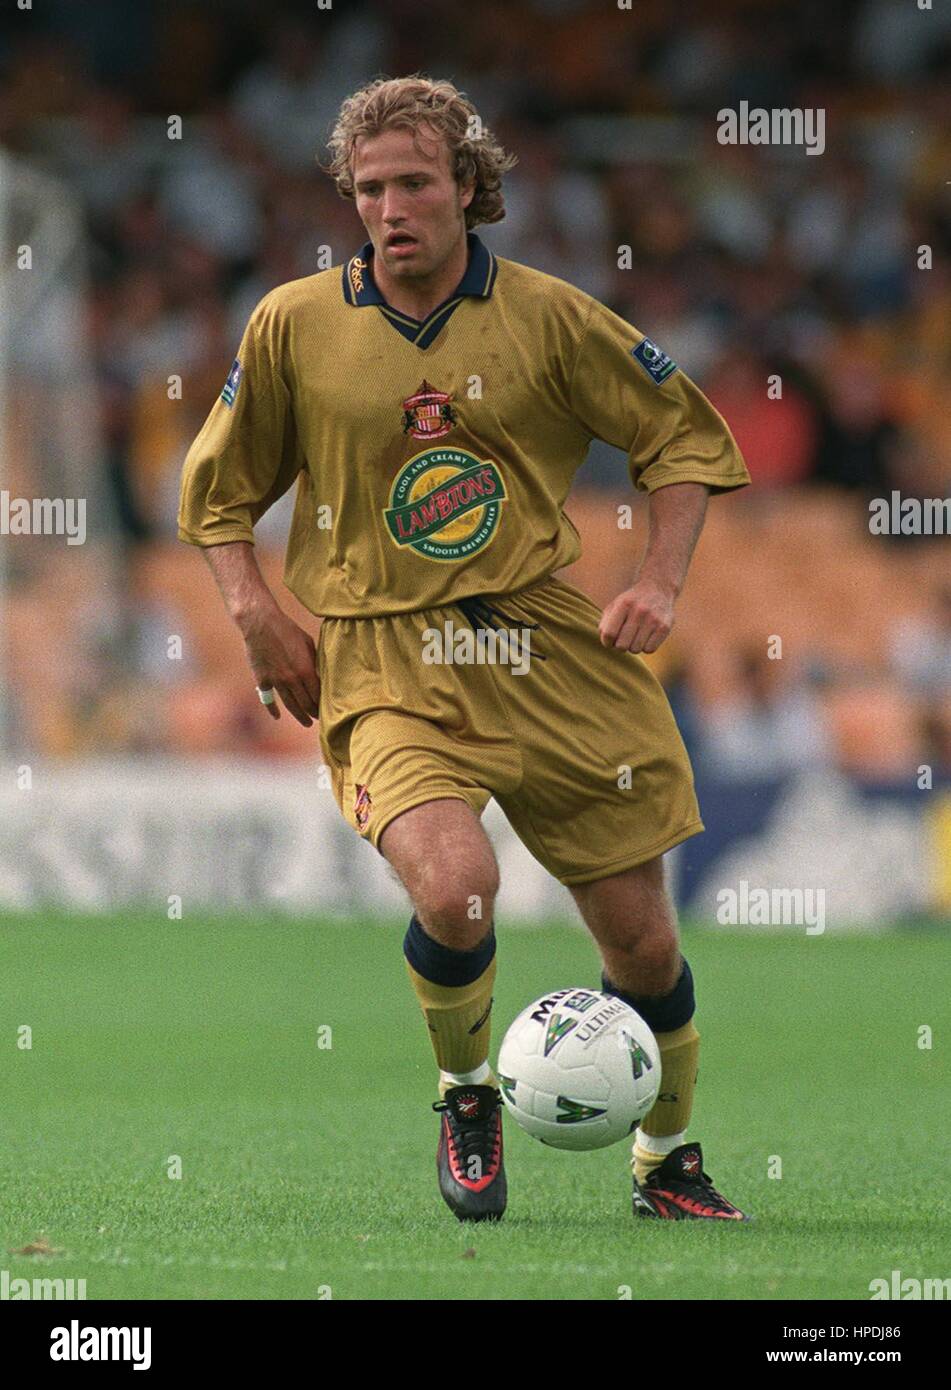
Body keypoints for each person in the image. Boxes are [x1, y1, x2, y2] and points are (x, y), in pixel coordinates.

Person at [179, 75, 752, 1223]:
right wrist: (253, 610)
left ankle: (668, 1160)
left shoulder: (550, 316)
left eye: (415, 184)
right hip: (386, 652)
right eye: (370, 187)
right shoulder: (293, 322)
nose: (390, 208)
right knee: (457, 889)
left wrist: (658, 580)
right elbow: (217, 495)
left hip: (545, 644)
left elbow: (683, 440)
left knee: (642, 947)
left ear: (470, 190)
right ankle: (466, 1093)